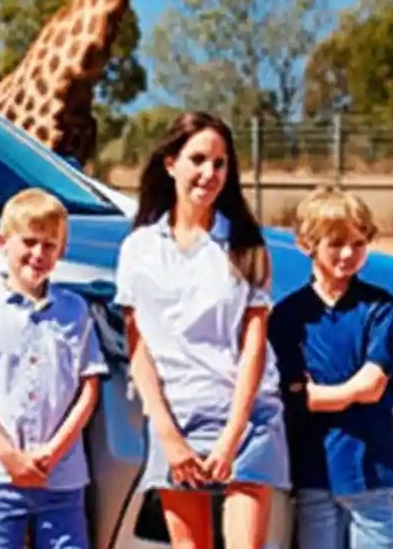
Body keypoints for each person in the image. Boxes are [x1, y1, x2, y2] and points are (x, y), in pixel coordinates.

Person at [113, 111, 290, 549]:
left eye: (220, 163)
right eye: (198, 160)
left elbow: (254, 347)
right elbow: (139, 347)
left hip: (246, 420)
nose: (209, 174)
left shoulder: (248, 248)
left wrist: (232, 437)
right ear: (171, 164)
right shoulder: (138, 250)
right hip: (177, 417)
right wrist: (168, 436)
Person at [0, 187, 109, 549]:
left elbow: (88, 388)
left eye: (49, 246)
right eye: (29, 242)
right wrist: (8, 455)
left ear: (62, 251)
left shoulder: (75, 312)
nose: (38, 254)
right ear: (2, 242)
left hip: (61, 478)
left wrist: (53, 451)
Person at [267, 185, 393, 549]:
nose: (348, 254)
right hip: (314, 469)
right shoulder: (288, 316)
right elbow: (291, 394)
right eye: (336, 243)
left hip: (369, 469)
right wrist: (340, 394)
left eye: (358, 244)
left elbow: (373, 382)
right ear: (307, 244)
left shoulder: (379, 307)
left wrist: (323, 395)